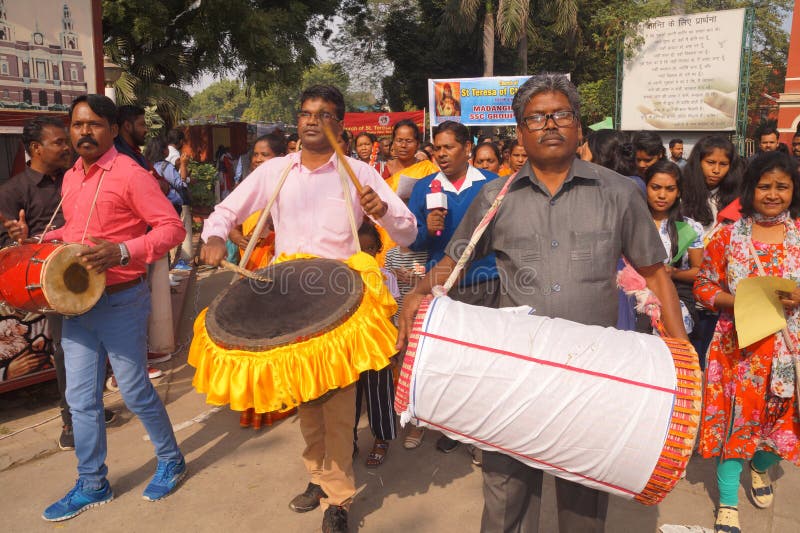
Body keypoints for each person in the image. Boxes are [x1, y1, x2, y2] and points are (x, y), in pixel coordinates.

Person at [398, 73, 687, 533]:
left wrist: (681, 357)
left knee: (583, 502)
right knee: (505, 494)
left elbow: (655, 274)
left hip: (593, 374)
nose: (549, 125)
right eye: (535, 117)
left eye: (560, 115)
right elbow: (454, 261)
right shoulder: (496, 196)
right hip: (514, 372)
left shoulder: (618, 192)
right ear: (520, 131)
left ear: (578, 126)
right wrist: (416, 295)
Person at [199, 85, 416, 533]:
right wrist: (215, 237)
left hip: (341, 302)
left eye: (324, 114)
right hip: (286, 300)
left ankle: (337, 499)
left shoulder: (360, 174)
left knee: (337, 404)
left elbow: (408, 231)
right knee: (307, 401)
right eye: (305, 113)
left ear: (341, 123)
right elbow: (224, 210)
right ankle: (318, 477)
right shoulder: (276, 170)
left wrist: (384, 214)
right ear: (298, 122)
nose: (312, 120)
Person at [7, 95, 187, 522]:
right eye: (77, 125)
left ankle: (170, 458)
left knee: (135, 390)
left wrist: (123, 251)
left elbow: (171, 227)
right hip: (77, 302)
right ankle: (92, 482)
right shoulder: (72, 176)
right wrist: (37, 241)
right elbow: (75, 230)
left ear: (110, 129)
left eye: (93, 125)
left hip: (122, 298)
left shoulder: (131, 173)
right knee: (81, 398)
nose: (84, 132)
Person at [693, 151, 800, 533]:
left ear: (793, 190)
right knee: (733, 424)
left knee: (785, 425)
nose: (772, 194)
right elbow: (703, 287)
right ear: (750, 189)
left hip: (788, 352)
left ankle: (760, 467)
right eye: (764, 186)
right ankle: (727, 501)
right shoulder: (727, 236)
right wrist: (734, 301)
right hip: (736, 351)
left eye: (781, 187)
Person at [0, 117, 118, 449]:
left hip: (91, 274)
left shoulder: (77, 179)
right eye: (59, 143)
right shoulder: (12, 192)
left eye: (67, 142)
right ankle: (71, 424)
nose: (67, 147)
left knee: (97, 346)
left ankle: (91, 409)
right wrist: (21, 240)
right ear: (35, 148)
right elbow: (6, 252)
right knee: (67, 352)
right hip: (50, 289)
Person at [407, 120, 499, 456]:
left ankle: (480, 436)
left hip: (486, 284)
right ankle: (452, 427)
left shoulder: (491, 184)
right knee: (447, 362)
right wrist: (425, 230)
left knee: (483, 362)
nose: (441, 154)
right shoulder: (423, 188)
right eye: (437, 148)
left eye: (448, 147)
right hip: (441, 287)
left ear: (468, 149)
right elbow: (410, 240)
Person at [680, 135, 745, 364]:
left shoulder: (739, 199)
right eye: (710, 163)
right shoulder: (682, 193)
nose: (716, 170)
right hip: (685, 291)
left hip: (720, 295)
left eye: (723, 164)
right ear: (698, 162)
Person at [352, 221, 400, 468]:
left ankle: (382, 438)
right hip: (349, 348)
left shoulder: (386, 276)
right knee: (349, 399)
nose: (366, 255)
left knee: (380, 394)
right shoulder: (344, 278)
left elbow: (391, 313)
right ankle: (347, 443)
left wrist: (393, 349)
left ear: (378, 250)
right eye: (360, 250)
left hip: (378, 347)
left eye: (371, 250)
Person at [640, 160, 704, 335]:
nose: (662, 195)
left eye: (670, 189)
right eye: (655, 187)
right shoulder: (633, 223)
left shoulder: (688, 227)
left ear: (678, 192)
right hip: (635, 304)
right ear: (645, 188)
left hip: (674, 303)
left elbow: (699, 271)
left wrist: (673, 273)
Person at [145, 136, 188, 215]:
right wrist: (183, 165)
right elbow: (180, 184)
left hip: (157, 205)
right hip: (172, 205)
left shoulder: (148, 165)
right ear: (163, 151)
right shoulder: (165, 166)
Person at [114, 105, 148, 169]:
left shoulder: (134, 152)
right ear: (127, 126)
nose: (146, 130)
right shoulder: (119, 156)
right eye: (142, 124)